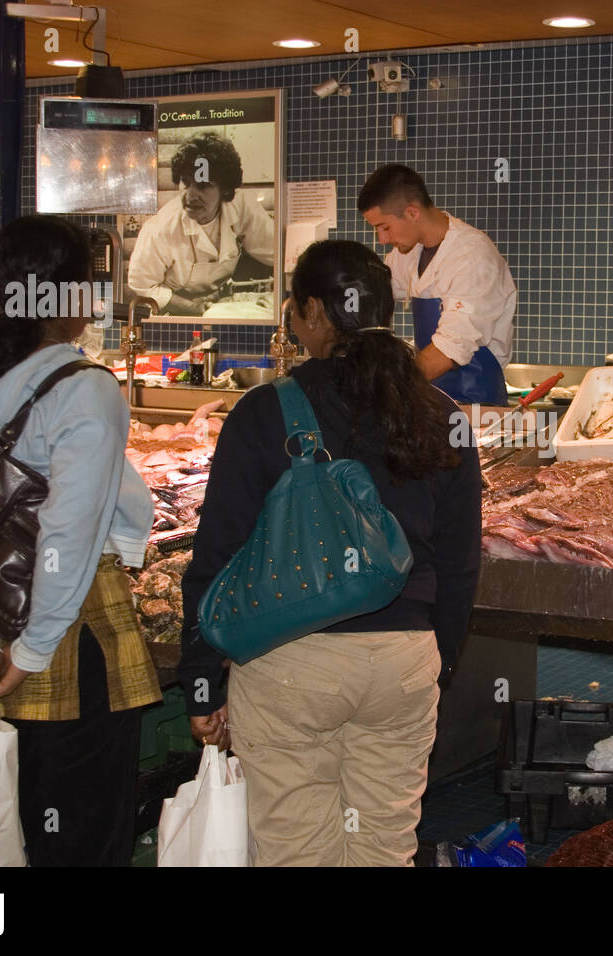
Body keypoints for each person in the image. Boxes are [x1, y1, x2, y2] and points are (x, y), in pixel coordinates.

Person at [178, 239, 482, 867]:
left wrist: (203, 680)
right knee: (381, 849)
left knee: (296, 851)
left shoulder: (265, 411)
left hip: (292, 662)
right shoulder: (442, 414)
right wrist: (435, 665)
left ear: (313, 312)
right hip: (402, 663)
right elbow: (459, 566)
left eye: (294, 310)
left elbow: (218, 556)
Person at [0, 214, 160, 866]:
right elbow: (69, 535)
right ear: (74, 295)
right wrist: (28, 655)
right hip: (67, 649)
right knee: (78, 844)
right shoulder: (86, 389)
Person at [358, 164, 516, 405]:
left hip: (476, 405)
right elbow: (378, 292)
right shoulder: (407, 251)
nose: (382, 240)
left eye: (384, 227)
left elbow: (449, 350)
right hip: (432, 399)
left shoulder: (471, 257)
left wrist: (387, 388)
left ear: (412, 213)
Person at [127, 132, 276, 316]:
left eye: (203, 186)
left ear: (225, 189)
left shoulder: (241, 207)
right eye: (186, 182)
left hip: (221, 307)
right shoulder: (161, 229)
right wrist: (193, 308)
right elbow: (141, 285)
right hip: (175, 314)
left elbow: (277, 252)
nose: (190, 196)